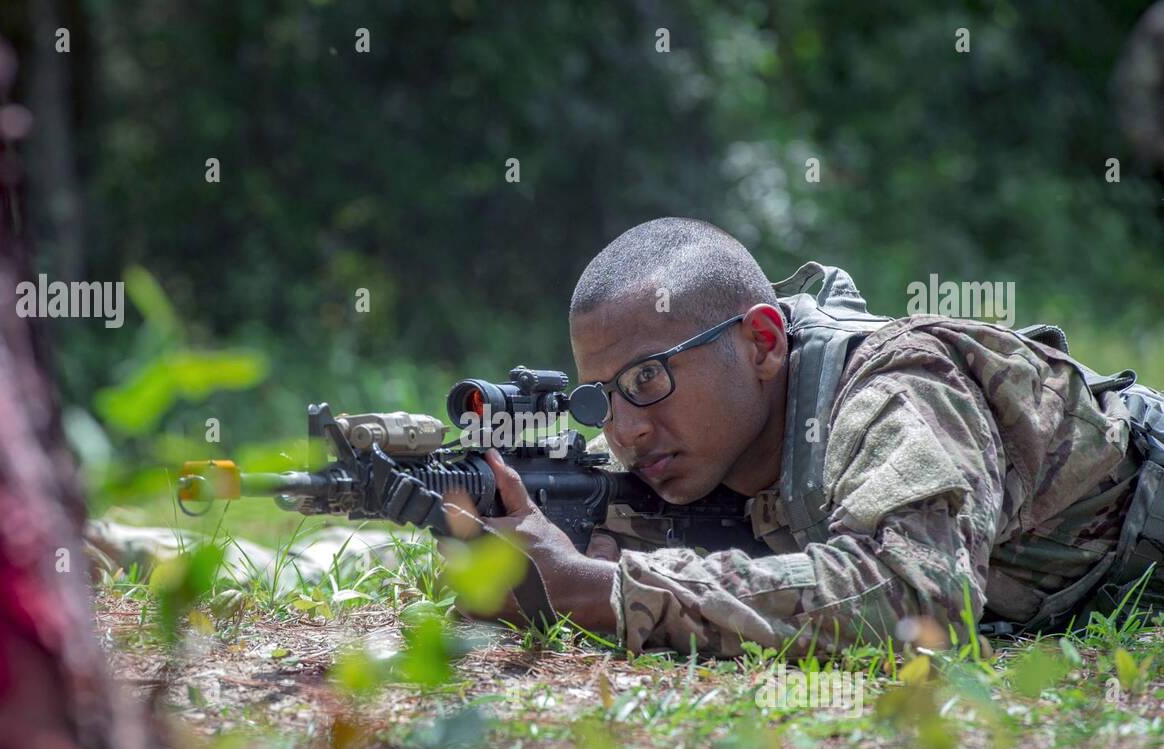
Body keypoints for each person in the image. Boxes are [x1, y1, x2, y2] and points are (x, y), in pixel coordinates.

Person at [479, 217, 1164, 657]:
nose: (626, 428)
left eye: (650, 378)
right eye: (601, 397)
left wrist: (606, 589)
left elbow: (917, 604)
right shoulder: (698, 446)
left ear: (764, 343)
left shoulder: (900, 390)